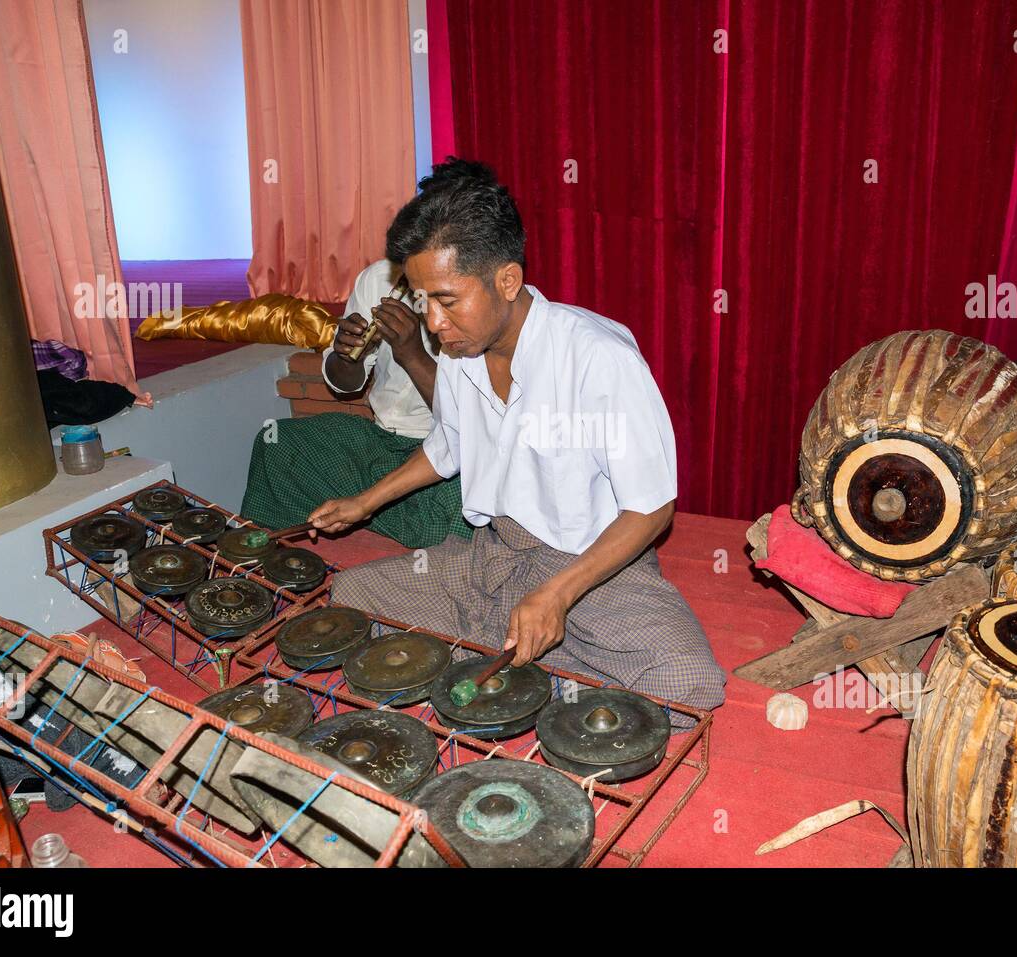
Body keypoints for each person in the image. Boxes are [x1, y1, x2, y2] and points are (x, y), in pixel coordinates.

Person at [309, 158, 725, 716]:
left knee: (687, 682)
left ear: (507, 280)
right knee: (352, 597)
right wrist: (363, 504)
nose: (432, 322)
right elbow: (447, 448)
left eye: (447, 299)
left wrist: (556, 594)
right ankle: (537, 668)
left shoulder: (598, 357)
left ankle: (520, 665)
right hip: (494, 557)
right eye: (423, 300)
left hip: (590, 567)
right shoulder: (460, 351)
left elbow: (652, 508)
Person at [240, 258, 470, 548]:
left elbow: (463, 420)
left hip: (446, 448)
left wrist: (412, 355)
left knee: (465, 499)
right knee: (276, 443)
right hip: (380, 439)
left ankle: (376, 510)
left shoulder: (471, 294)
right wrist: (347, 354)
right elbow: (345, 385)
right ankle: (270, 555)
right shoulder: (380, 278)